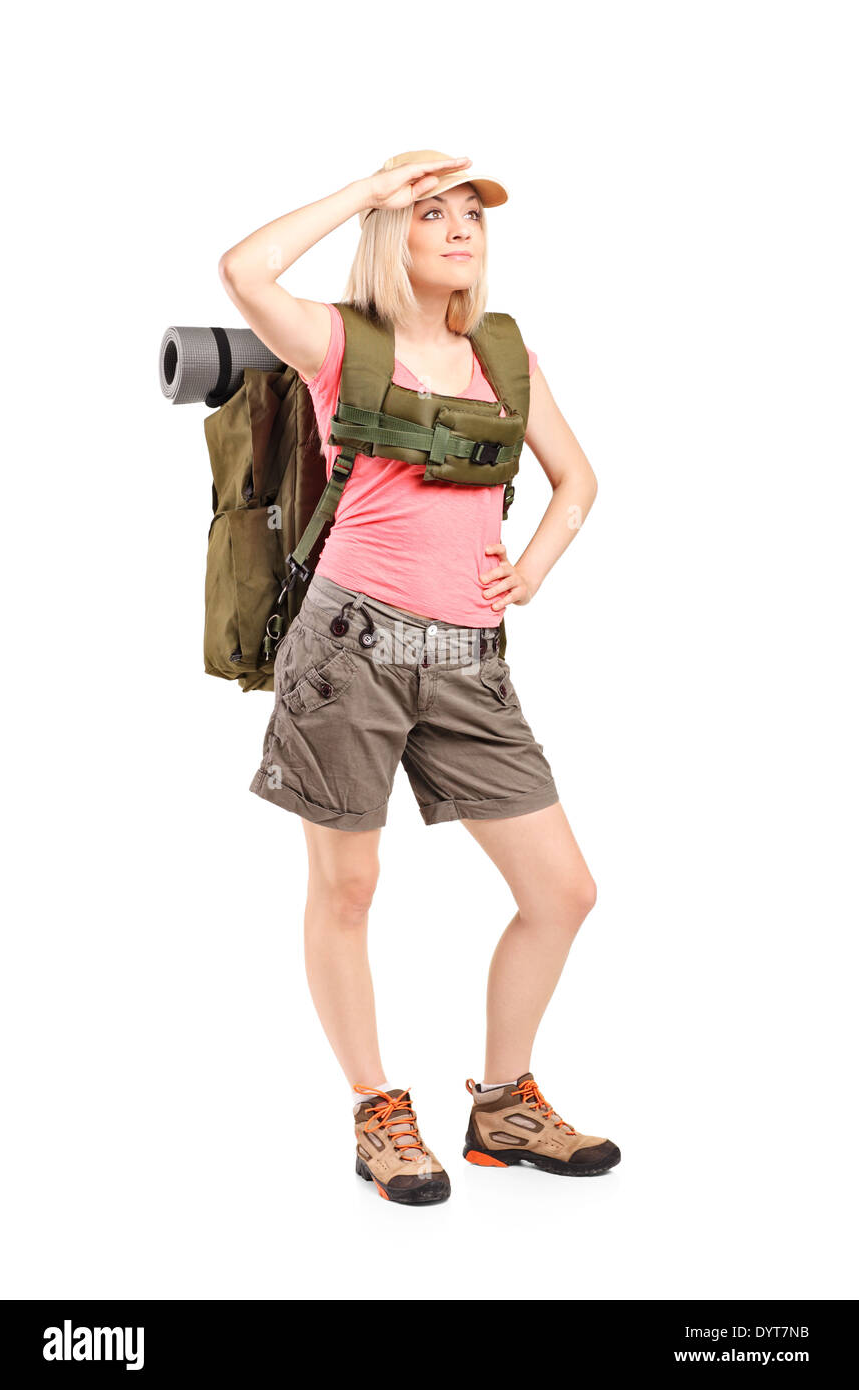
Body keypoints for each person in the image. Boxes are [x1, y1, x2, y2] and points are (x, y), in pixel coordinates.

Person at [218, 150, 620, 1206]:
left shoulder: (503, 349)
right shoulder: (340, 343)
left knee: (561, 890)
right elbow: (245, 271)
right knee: (348, 888)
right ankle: (377, 1110)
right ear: (392, 233)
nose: (457, 229)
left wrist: (527, 569)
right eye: (432, 214)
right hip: (348, 648)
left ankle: (501, 1104)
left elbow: (577, 478)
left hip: (468, 660)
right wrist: (368, 189)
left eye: (469, 219)